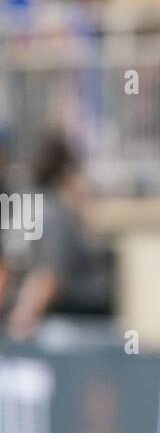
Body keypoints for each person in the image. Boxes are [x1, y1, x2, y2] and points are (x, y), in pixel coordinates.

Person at [7, 131, 115, 343]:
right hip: (70, 330)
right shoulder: (53, 214)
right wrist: (20, 325)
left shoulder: (41, 209)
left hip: (73, 326)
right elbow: (47, 278)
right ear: (67, 173)